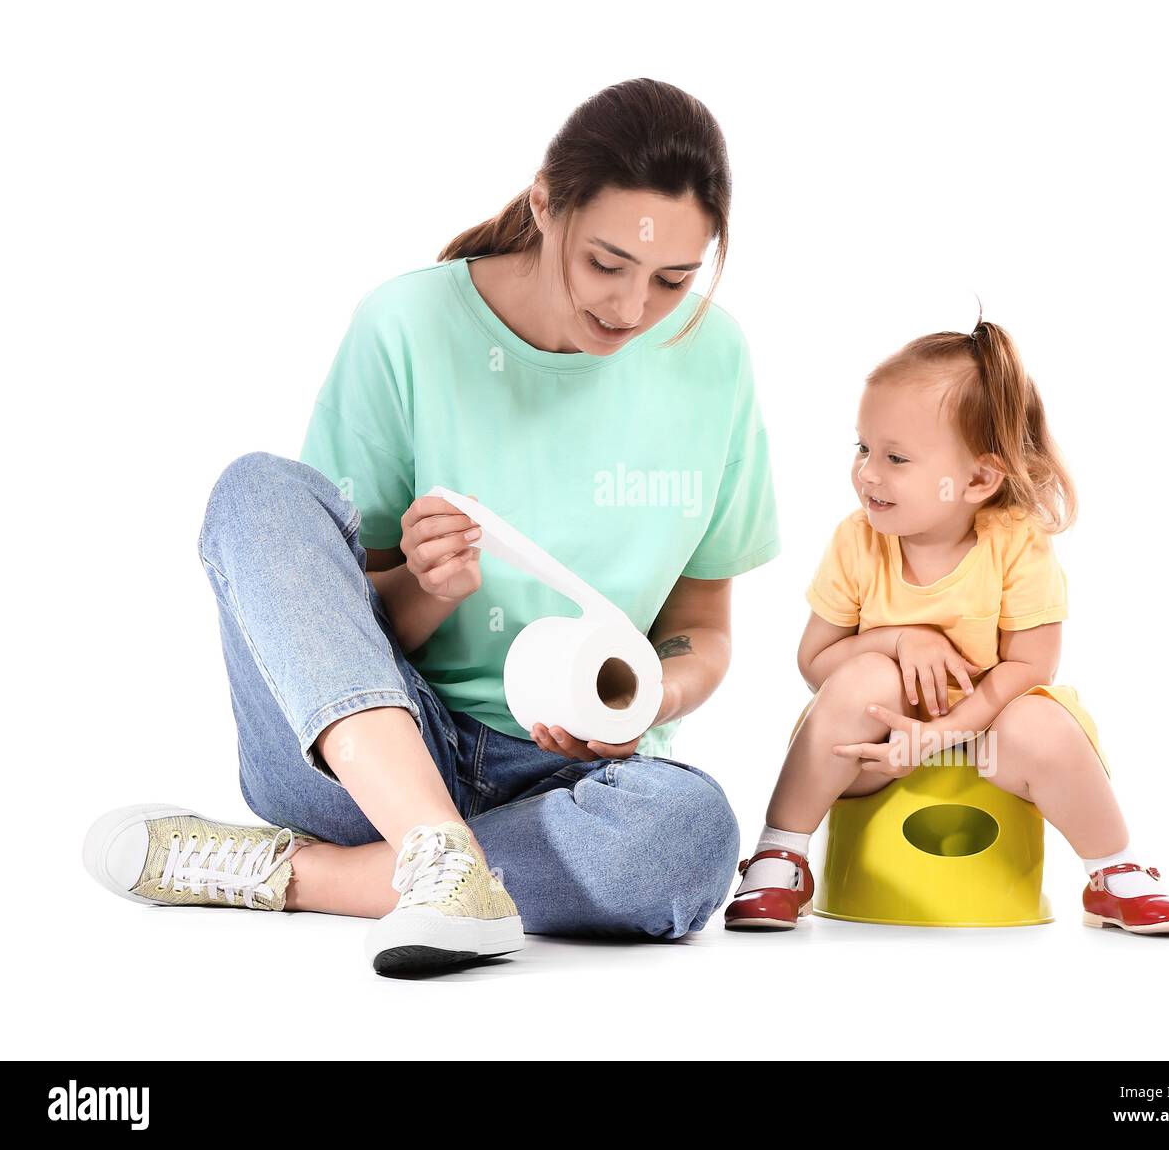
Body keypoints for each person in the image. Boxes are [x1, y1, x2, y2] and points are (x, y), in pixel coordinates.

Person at [82, 78, 781, 976]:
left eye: (674, 278)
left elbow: (704, 631)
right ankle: (430, 847)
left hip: (568, 783)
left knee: (689, 835)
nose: (634, 307)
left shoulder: (714, 359)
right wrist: (423, 586)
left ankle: (311, 876)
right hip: (370, 763)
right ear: (545, 204)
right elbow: (326, 621)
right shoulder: (406, 325)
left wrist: (649, 694)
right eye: (607, 263)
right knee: (257, 488)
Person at [723, 320, 1169, 937]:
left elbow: (1031, 668)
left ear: (978, 479)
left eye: (895, 458)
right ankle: (781, 853)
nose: (868, 473)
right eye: (862, 448)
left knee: (1042, 718)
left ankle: (1114, 871)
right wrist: (896, 641)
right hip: (877, 751)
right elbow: (815, 660)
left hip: (987, 747)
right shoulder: (857, 540)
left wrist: (946, 731)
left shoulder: (1015, 543)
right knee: (864, 675)